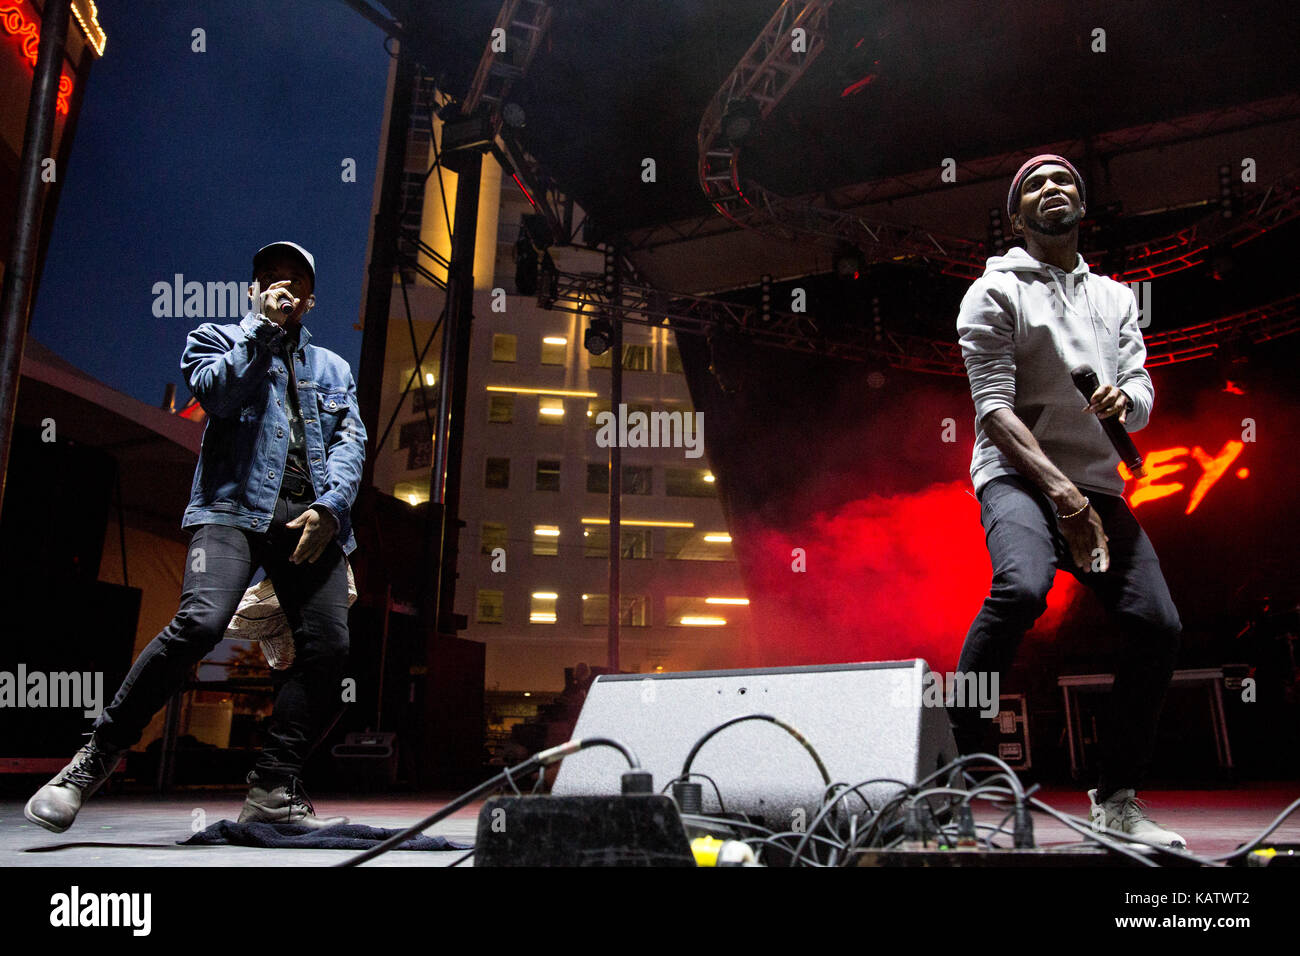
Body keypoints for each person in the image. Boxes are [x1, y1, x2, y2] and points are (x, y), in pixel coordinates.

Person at [25, 241, 367, 831]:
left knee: (331, 649)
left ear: (310, 300)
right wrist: (259, 333)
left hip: (307, 518)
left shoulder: (334, 369)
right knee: (200, 624)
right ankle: (91, 761)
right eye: (269, 278)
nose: (282, 287)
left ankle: (273, 788)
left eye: (294, 281)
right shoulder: (215, 339)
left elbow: (349, 442)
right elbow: (218, 395)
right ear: (255, 290)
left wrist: (332, 507)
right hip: (232, 507)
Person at [952, 157, 1186, 848]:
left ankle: (1115, 799)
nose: (1055, 189)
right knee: (1023, 589)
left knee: (1159, 626)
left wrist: (1126, 400)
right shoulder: (992, 294)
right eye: (1036, 185)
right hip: (1019, 475)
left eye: (1067, 183)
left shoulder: (1115, 298)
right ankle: (962, 770)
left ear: (1082, 206)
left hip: (1097, 482)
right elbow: (993, 409)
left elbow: (1141, 391)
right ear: (1019, 216)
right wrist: (1062, 497)